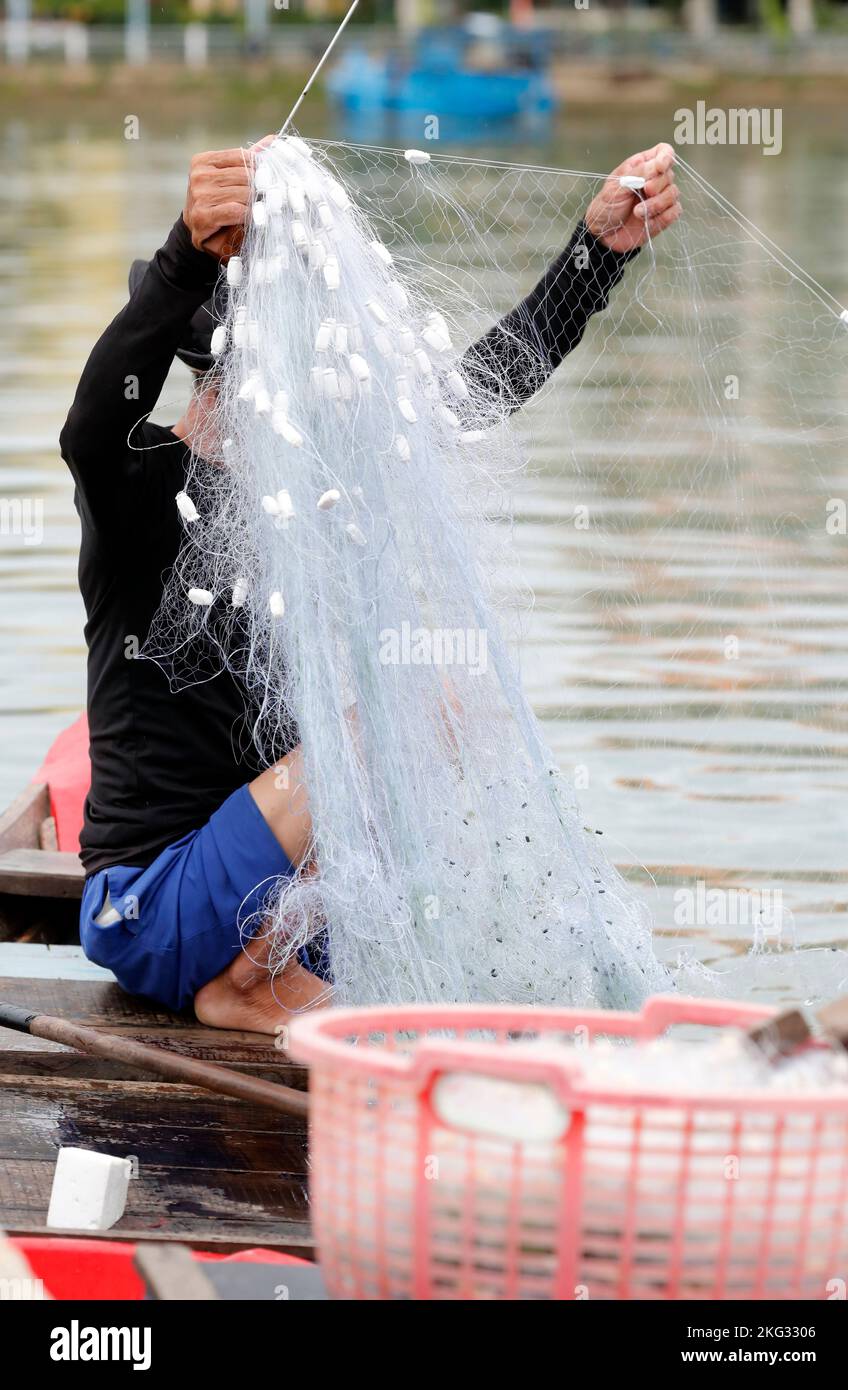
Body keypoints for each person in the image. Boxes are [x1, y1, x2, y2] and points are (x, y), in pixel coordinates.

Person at [61, 137, 681, 1033]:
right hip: (154, 906)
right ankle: (241, 980)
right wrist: (187, 255)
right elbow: (90, 425)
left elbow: (475, 393)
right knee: (409, 707)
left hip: (276, 903)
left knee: (447, 698)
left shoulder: (315, 498)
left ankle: (263, 971)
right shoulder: (138, 489)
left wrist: (595, 255)